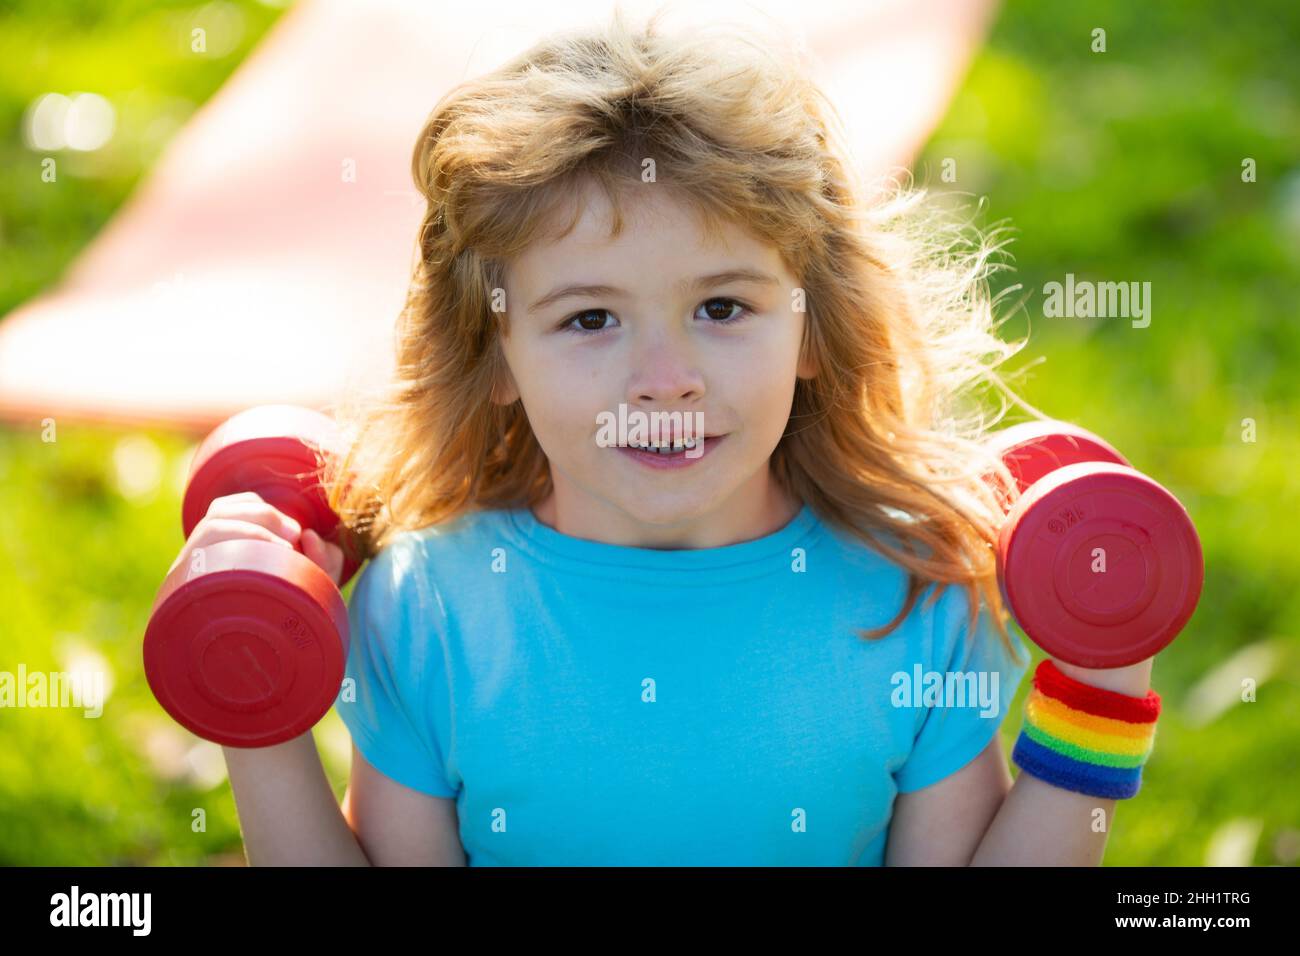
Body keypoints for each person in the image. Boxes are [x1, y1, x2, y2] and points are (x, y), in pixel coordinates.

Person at [205, 8, 1160, 866]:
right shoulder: (433, 610)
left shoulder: (914, 598)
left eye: (721, 306)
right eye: (590, 320)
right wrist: (256, 705)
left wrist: (1102, 691)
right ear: (494, 356)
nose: (666, 379)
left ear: (812, 332)